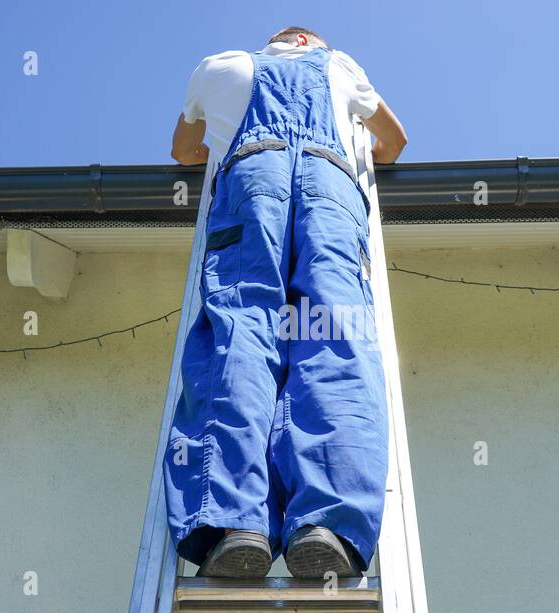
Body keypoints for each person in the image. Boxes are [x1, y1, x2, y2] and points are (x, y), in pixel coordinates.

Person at [164, 26, 408, 579]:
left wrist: (223, 140)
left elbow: (182, 152)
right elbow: (394, 143)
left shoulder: (220, 67)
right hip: (332, 190)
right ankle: (327, 522)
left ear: (274, 42)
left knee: (242, 333)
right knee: (334, 338)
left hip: (251, 184)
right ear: (308, 44)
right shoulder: (342, 66)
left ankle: (234, 523)